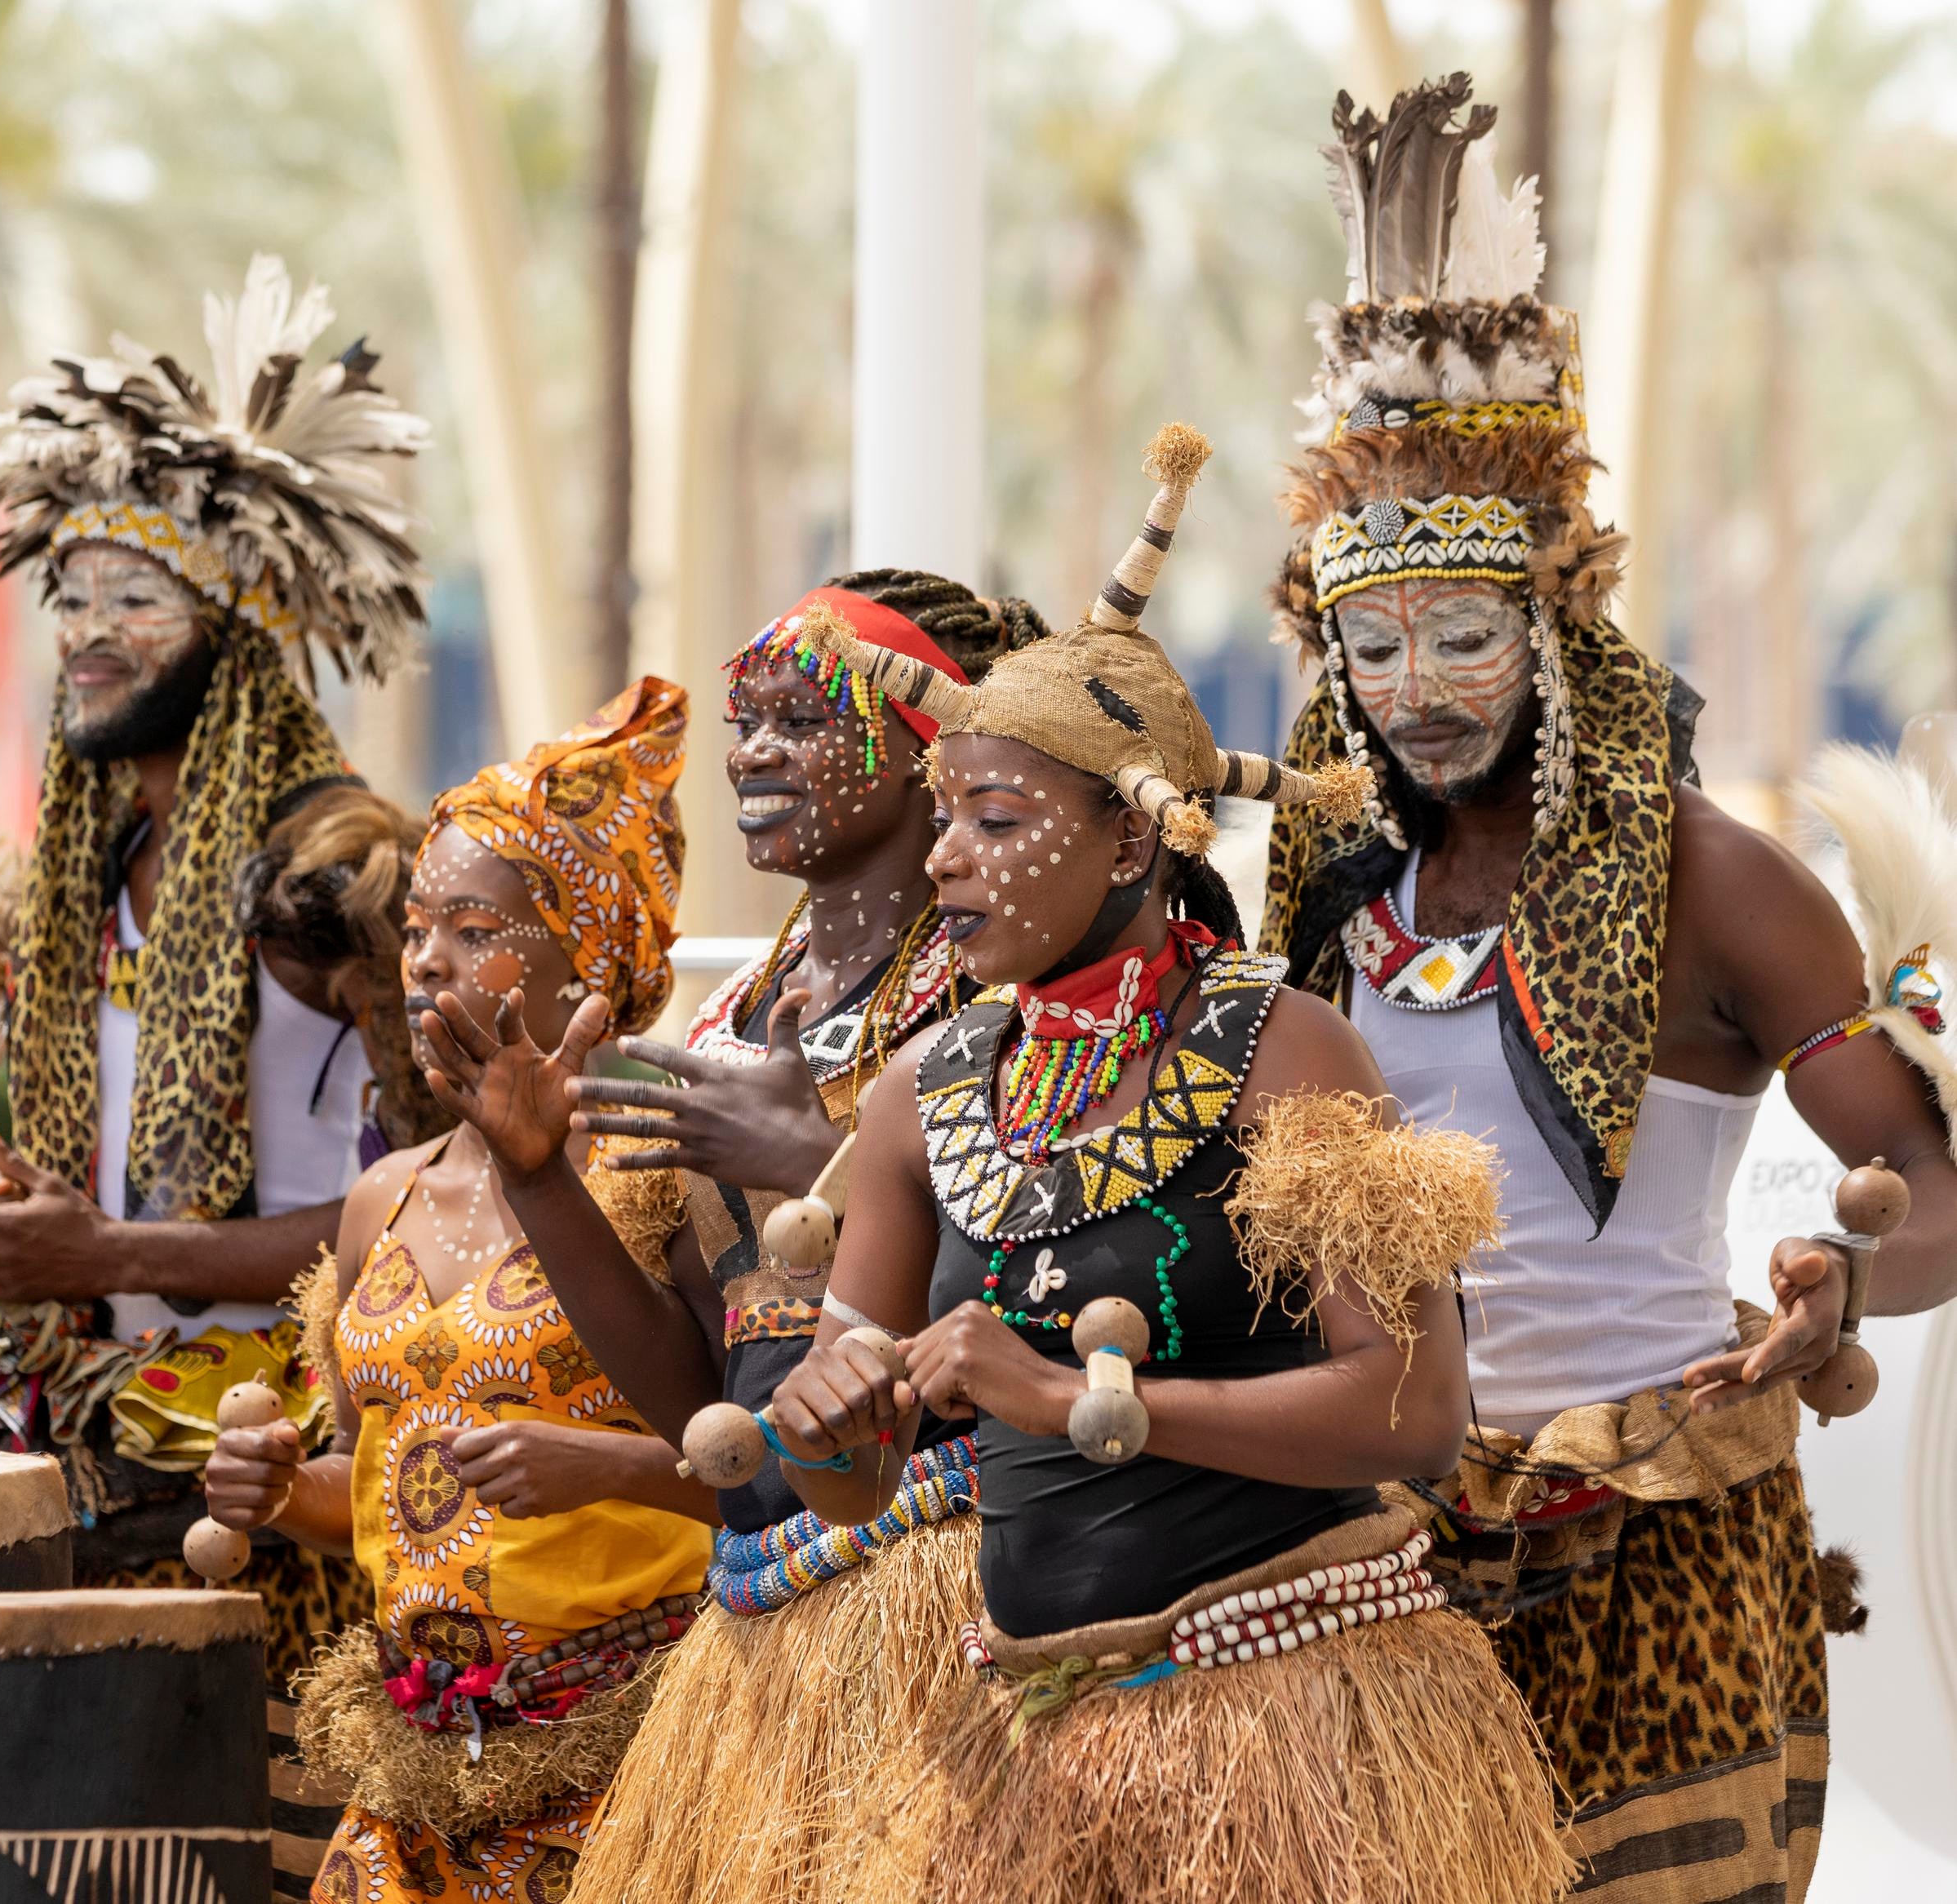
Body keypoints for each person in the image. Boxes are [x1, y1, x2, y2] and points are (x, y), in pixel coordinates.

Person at [1258, 77, 1957, 1903]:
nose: (1416, 688)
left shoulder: (1708, 878)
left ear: (1555, 625)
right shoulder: (1330, 891)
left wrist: (1844, 1279)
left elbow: (1939, 1185)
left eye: (1464, 633)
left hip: (1661, 1535)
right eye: (1374, 643)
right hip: (1384, 1551)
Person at [753, 426, 1571, 1903]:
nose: (945, 859)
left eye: (995, 822)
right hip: (1027, 1744)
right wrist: (823, 1421)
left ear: (1132, 842)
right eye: (944, 817)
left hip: (1300, 1740)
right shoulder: (917, 1098)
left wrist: (1065, 1399)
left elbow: (1419, 1404)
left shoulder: (1287, 1048)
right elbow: (850, 1476)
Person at [475, 573, 1033, 1903]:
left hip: (967, 1613)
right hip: (764, 1616)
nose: (752, 751)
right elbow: (699, 1393)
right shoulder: (732, 1022)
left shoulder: (1005, 986)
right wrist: (542, 1180)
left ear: (925, 753)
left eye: (801, 718)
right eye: (745, 717)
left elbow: (1079, 1289)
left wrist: (818, 1170)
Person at [0, 259, 437, 1669]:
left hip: (298, 1449)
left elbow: (419, 1220)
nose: (88, 632)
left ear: (237, 632)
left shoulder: (330, 876)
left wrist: (107, 1248)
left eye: (136, 597)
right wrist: (52, 1226)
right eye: (71, 596)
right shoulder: (88, 872)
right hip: (112, 1424)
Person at [202, 681, 717, 1904]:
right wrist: (279, 1488)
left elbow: (782, 1474)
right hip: (418, 1778)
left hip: (627, 1766)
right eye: (421, 921)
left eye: (475, 926)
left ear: (588, 954)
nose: (426, 954)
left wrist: (604, 1467)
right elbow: (383, 1481)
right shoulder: (384, 1194)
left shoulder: (671, 1178)